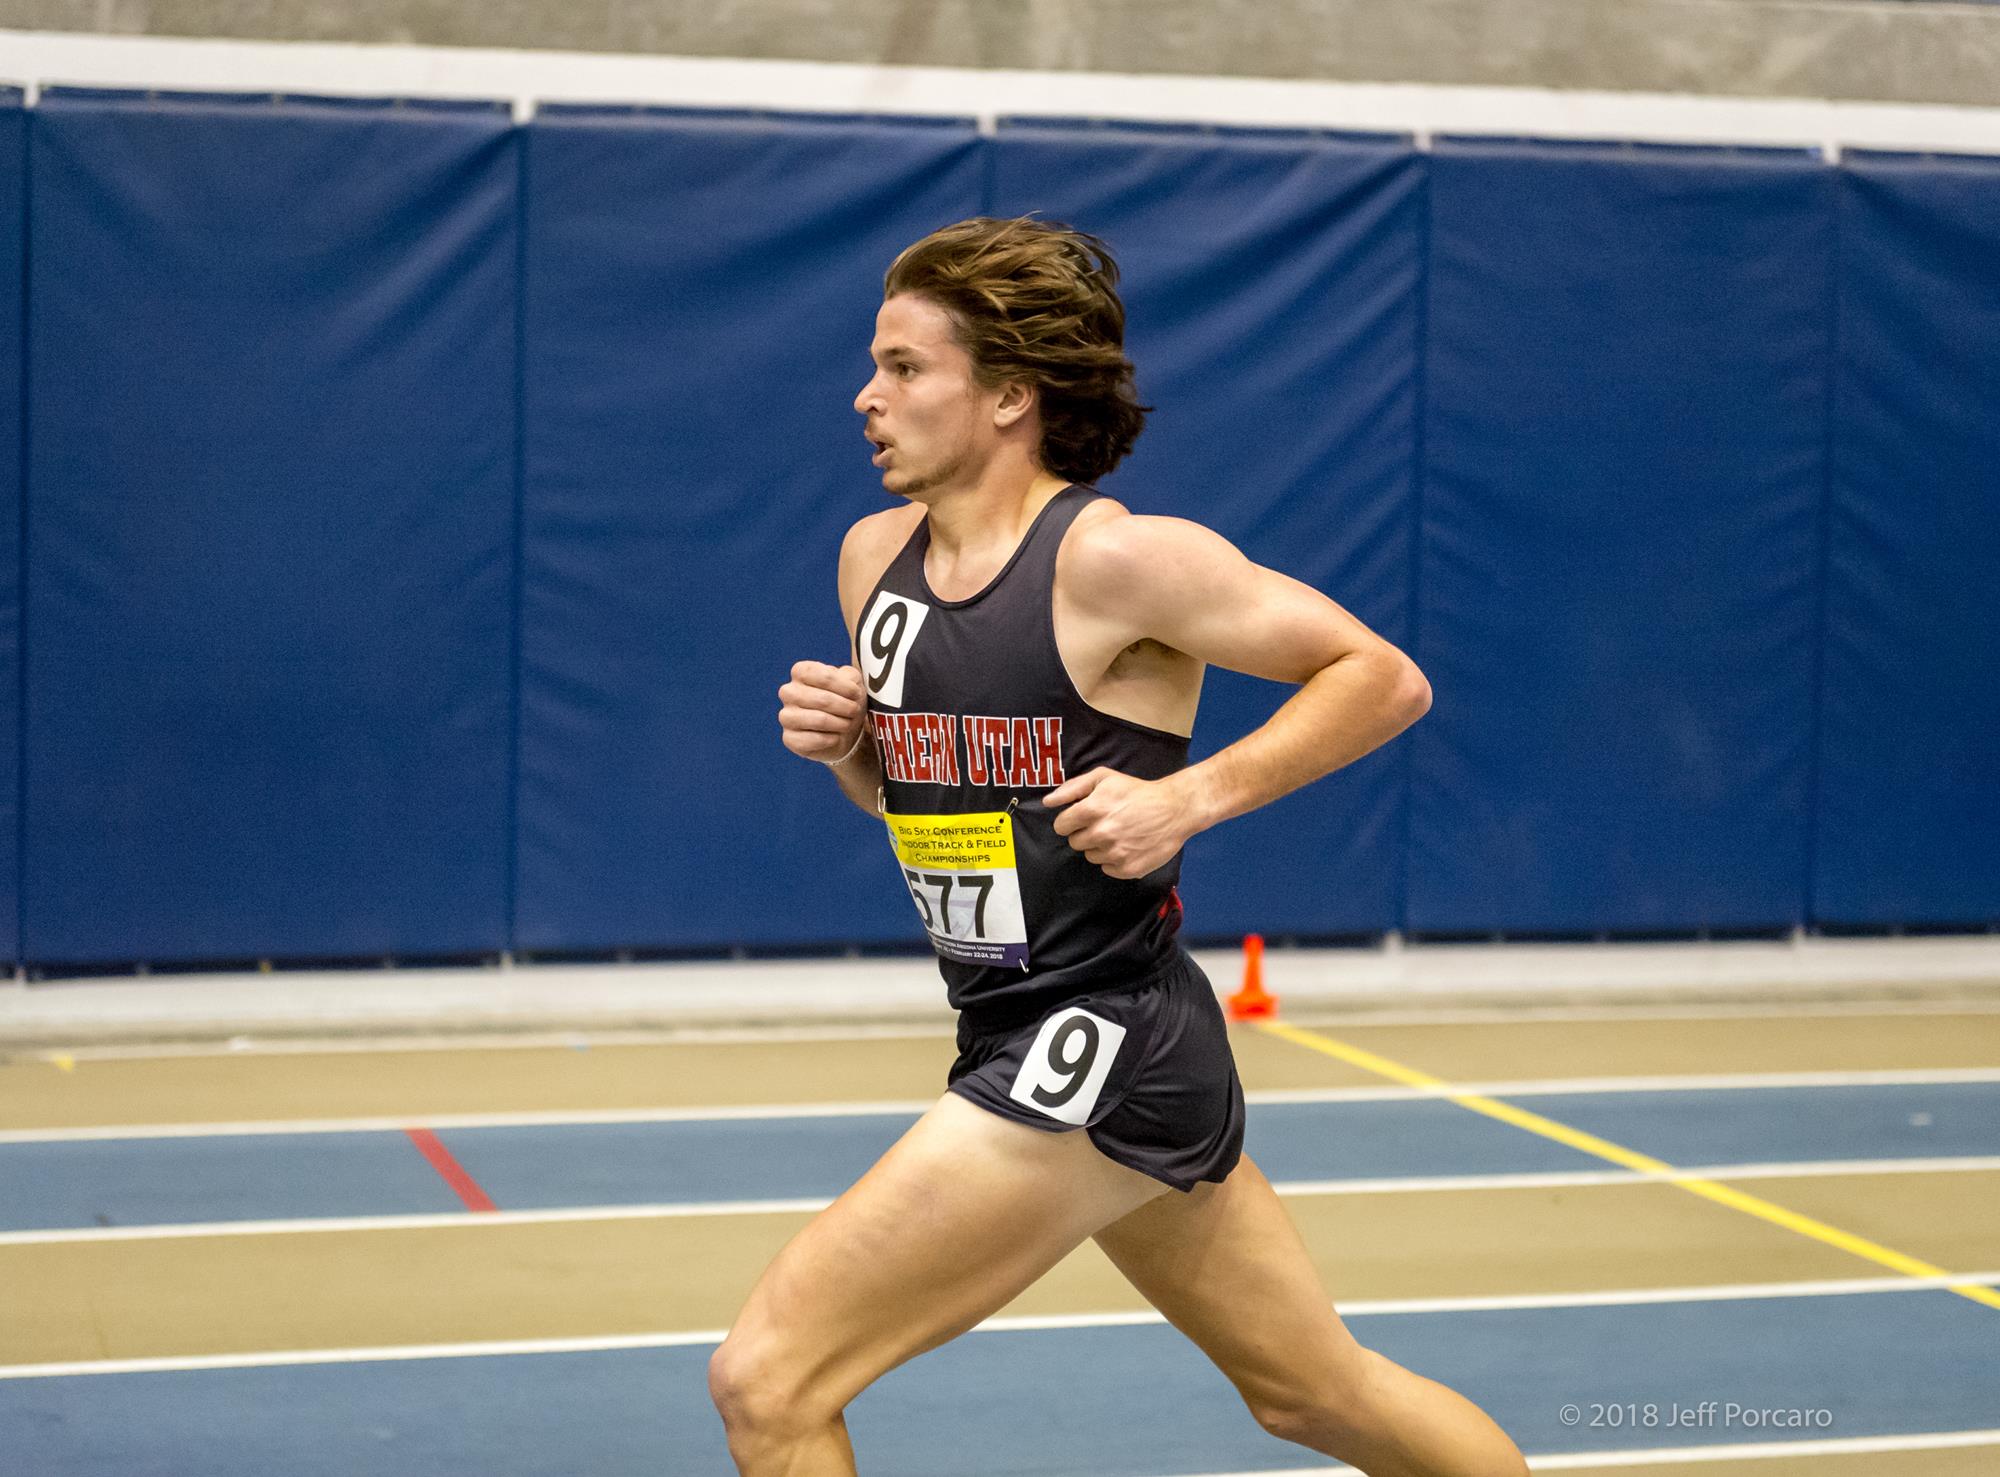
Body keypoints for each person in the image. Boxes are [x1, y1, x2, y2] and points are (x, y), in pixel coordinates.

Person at [711, 216, 1527, 1477]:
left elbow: (1381, 677)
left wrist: (1189, 797)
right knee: (1315, 1396)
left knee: (767, 1381)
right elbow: (916, 811)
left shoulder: (1115, 559)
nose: (864, 396)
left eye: (904, 367)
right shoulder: (874, 562)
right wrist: (850, 753)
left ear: (1007, 398)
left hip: (1092, 1039)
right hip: (1024, 1023)